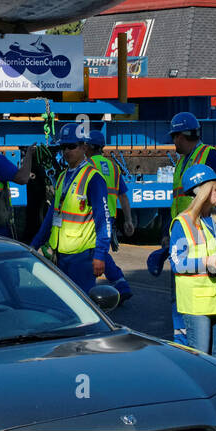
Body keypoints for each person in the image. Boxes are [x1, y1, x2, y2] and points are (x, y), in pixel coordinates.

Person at [168, 164, 216, 360]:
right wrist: (208, 261)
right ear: (204, 191)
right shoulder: (183, 223)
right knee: (200, 359)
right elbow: (177, 264)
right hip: (197, 303)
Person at [30, 122, 108, 294]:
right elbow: (52, 215)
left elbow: (103, 220)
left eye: (71, 146)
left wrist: (100, 255)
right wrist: (35, 243)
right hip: (60, 255)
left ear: (84, 147)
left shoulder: (93, 179)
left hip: (81, 257)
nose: (66, 151)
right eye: (63, 147)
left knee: (83, 305)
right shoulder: (63, 177)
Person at [84, 129, 134, 304]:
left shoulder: (87, 166)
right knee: (99, 251)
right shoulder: (113, 167)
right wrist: (128, 219)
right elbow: (123, 196)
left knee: (95, 252)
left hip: (92, 216)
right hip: (109, 216)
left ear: (89, 147)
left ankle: (120, 285)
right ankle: (119, 285)